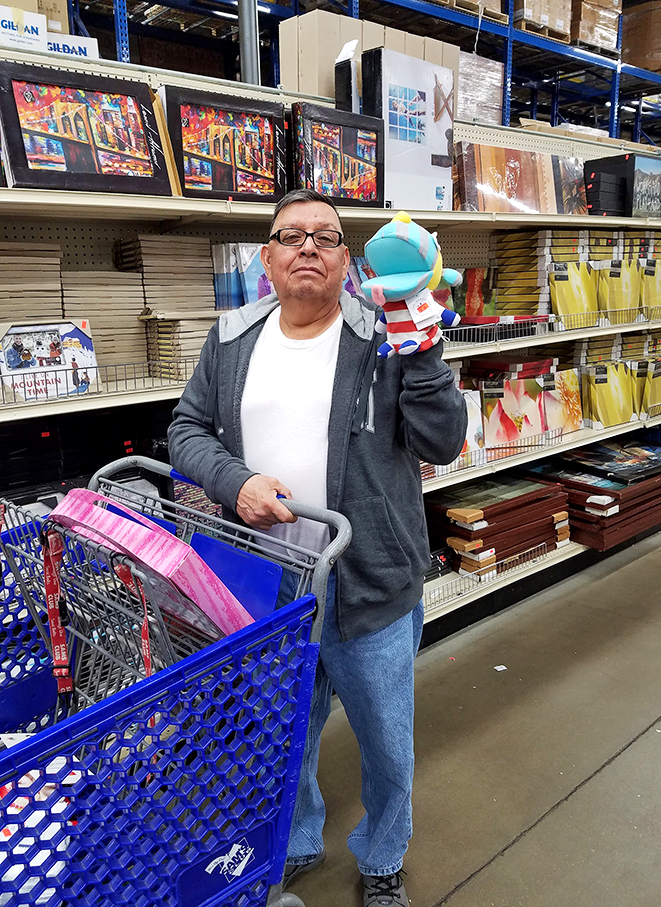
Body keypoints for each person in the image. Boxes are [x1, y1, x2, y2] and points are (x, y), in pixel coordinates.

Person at [167, 188, 467, 907]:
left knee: (387, 743)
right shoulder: (232, 338)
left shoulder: (386, 334)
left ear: (347, 260)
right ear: (266, 256)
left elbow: (444, 440)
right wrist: (234, 482)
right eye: (291, 235)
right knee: (283, 735)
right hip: (271, 589)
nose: (308, 246)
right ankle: (297, 837)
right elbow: (186, 430)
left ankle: (383, 857)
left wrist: (424, 352)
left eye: (327, 237)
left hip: (370, 582)